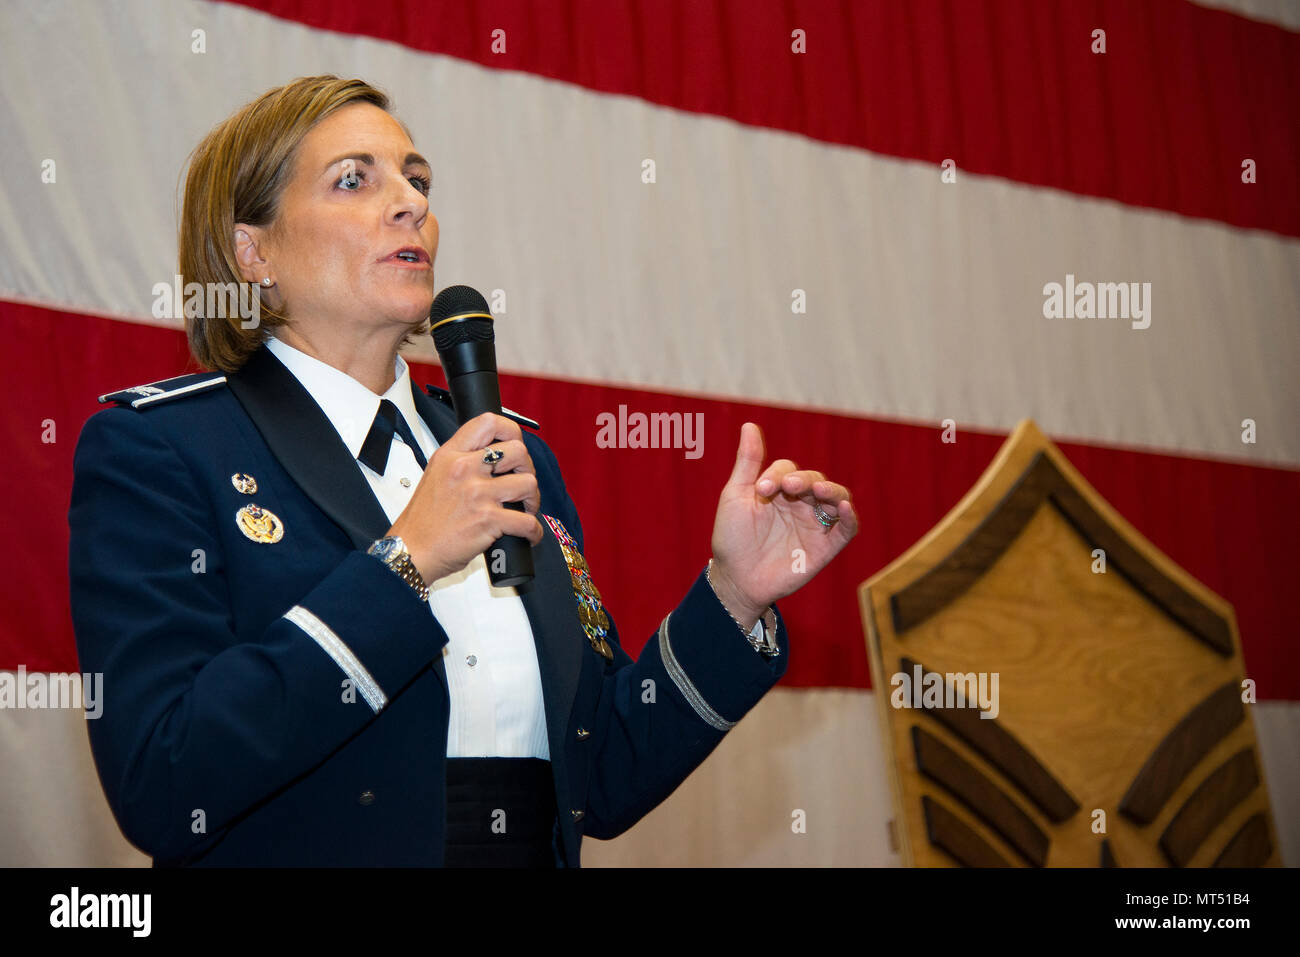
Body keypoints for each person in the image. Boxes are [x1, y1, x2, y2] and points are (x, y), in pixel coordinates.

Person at [67, 75, 858, 867]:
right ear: (254, 252)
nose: (411, 202)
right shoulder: (166, 448)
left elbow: (601, 778)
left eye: (417, 179)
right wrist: (405, 562)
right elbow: (165, 780)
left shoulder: (509, 451)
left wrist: (733, 595)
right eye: (355, 179)